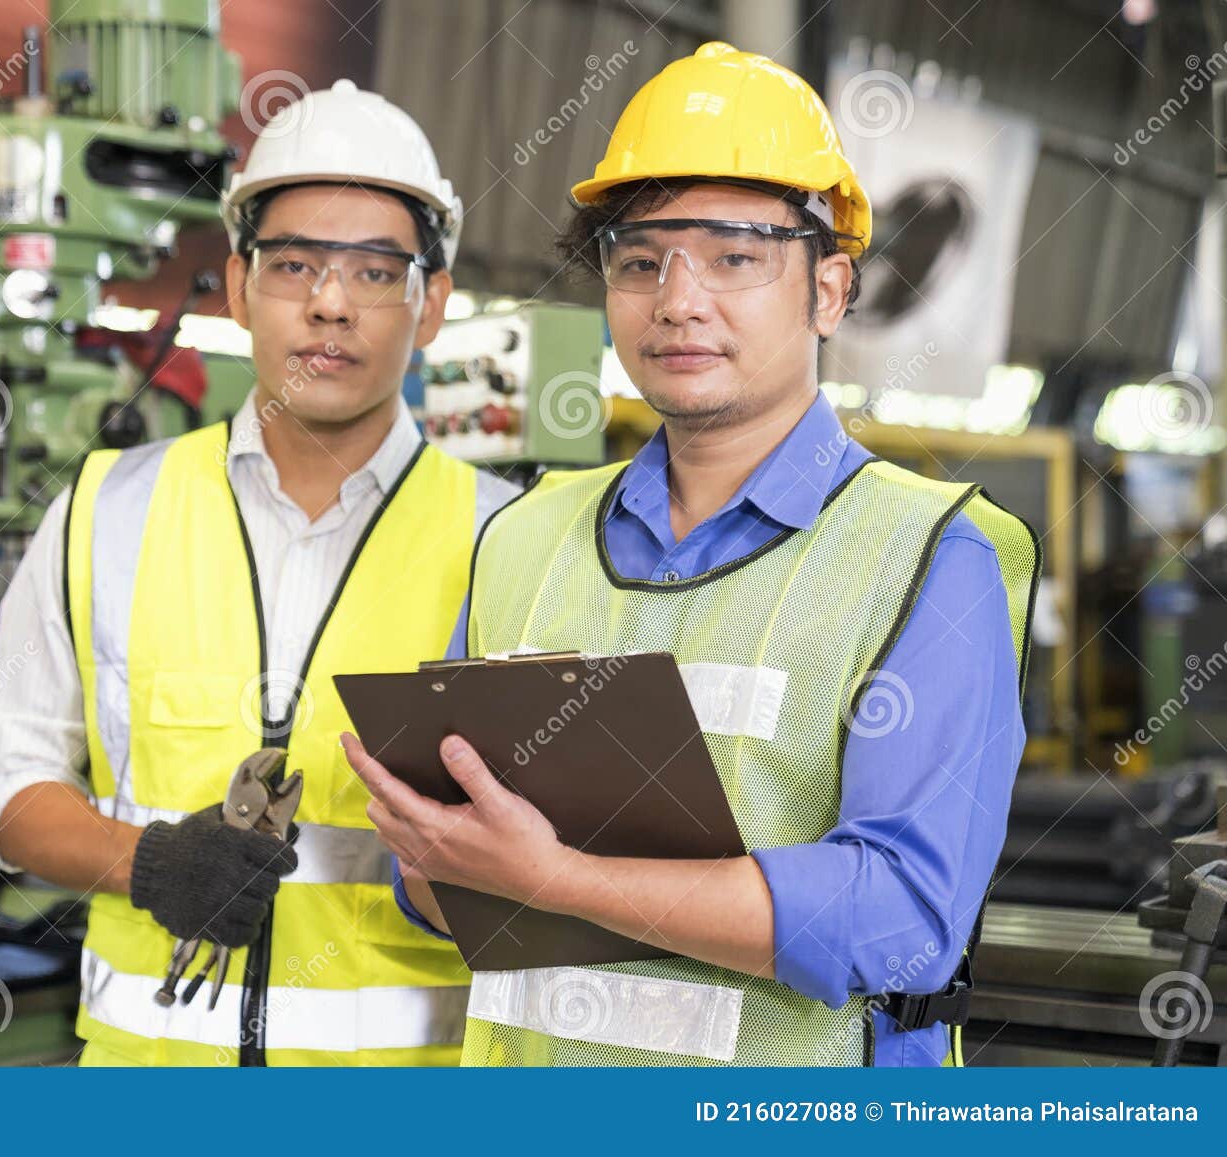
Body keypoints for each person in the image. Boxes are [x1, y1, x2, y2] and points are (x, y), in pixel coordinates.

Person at [342, 43, 1039, 1067]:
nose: (676, 299)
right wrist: (438, 853)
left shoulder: (931, 555)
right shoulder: (524, 536)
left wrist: (557, 879)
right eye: (639, 261)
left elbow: (901, 921)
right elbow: (441, 888)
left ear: (829, 290)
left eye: (735, 256)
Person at [0, 79, 518, 1066]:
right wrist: (145, 863)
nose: (329, 304)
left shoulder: (510, 542)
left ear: (430, 302)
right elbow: (11, 788)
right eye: (293, 264)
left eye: (375, 271)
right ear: (236, 286)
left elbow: (552, 869)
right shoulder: (103, 511)